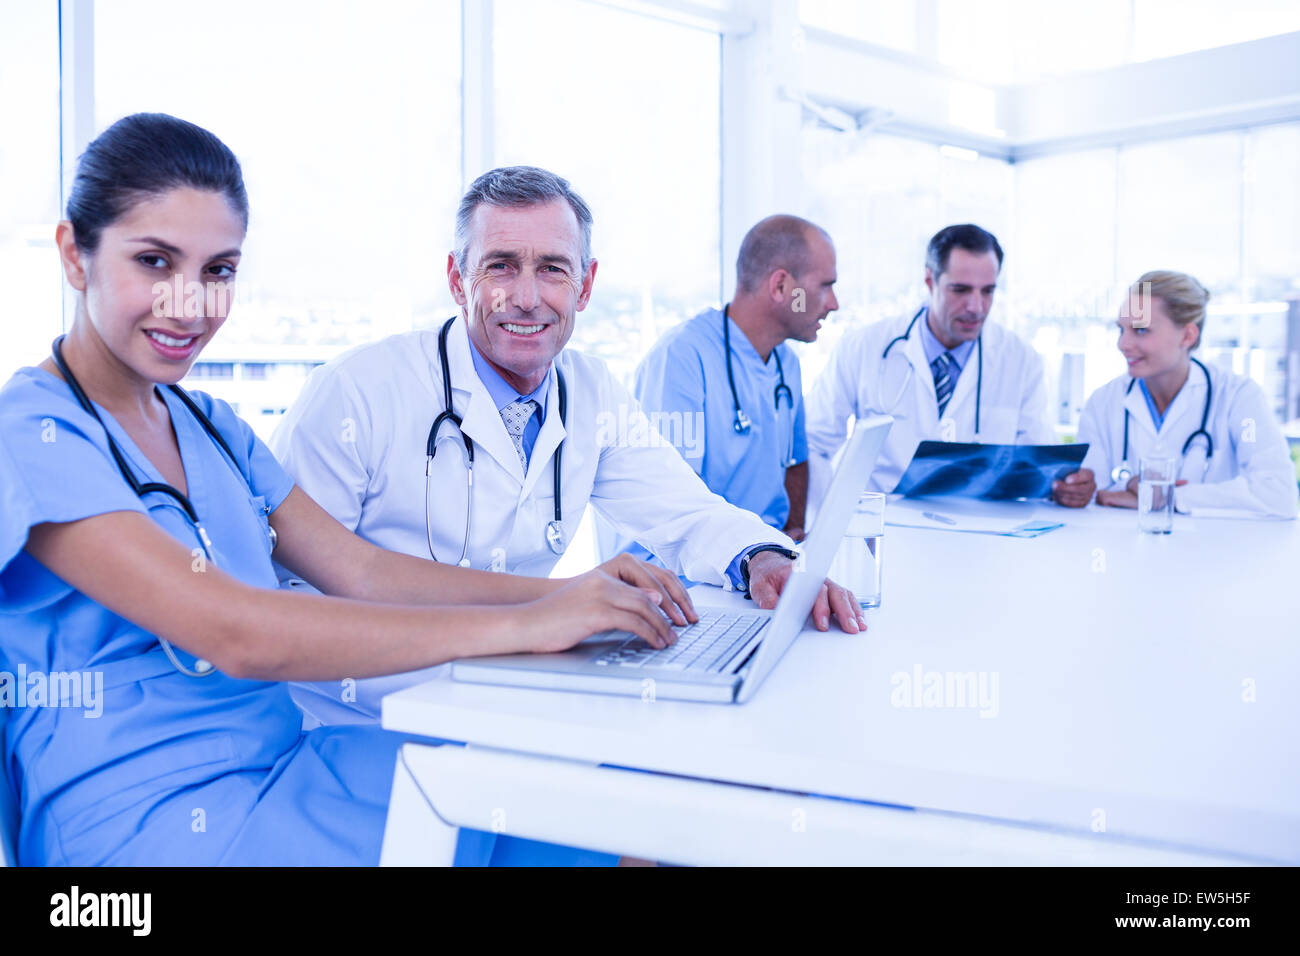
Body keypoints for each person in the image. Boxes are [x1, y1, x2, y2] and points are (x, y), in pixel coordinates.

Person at [0, 113, 692, 866]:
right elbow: (239, 633)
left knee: (617, 822)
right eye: (155, 262)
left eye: (218, 270)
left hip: (288, 763)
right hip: (143, 824)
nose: (189, 304)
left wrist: (571, 595)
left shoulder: (209, 424)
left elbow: (360, 569)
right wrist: (528, 626)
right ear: (75, 254)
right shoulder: (32, 434)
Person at [271, 167, 865, 725]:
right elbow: (289, 600)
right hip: (367, 717)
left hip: (520, 694)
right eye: (500, 266)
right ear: (457, 279)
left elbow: (688, 512)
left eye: (553, 268)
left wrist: (762, 558)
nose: (527, 297)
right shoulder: (355, 393)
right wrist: (549, 610)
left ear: (585, 285)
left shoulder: (591, 393)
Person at [804, 224, 1093, 506]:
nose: (976, 307)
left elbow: (1039, 466)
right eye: (961, 290)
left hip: (981, 531)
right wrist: (831, 523)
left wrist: (1066, 487)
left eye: (987, 291)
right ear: (930, 281)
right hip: (886, 527)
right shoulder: (863, 348)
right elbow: (814, 445)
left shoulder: (1021, 360)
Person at [623, 215, 836, 548]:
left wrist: (792, 536)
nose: (833, 304)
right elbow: (669, 503)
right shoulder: (682, 358)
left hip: (760, 557)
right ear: (782, 287)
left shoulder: (786, 363)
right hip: (684, 573)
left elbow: (796, 460)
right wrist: (753, 555)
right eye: (825, 286)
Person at [1077, 270, 1299, 518]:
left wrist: (1167, 496)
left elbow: (1278, 495)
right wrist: (1073, 492)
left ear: (1188, 335)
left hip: (1210, 553)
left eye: (1140, 330)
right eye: (1121, 330)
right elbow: (1094, 494)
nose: (1123, 344)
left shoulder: (1239, 398)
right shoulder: (1103, 402)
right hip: (1124, 551)